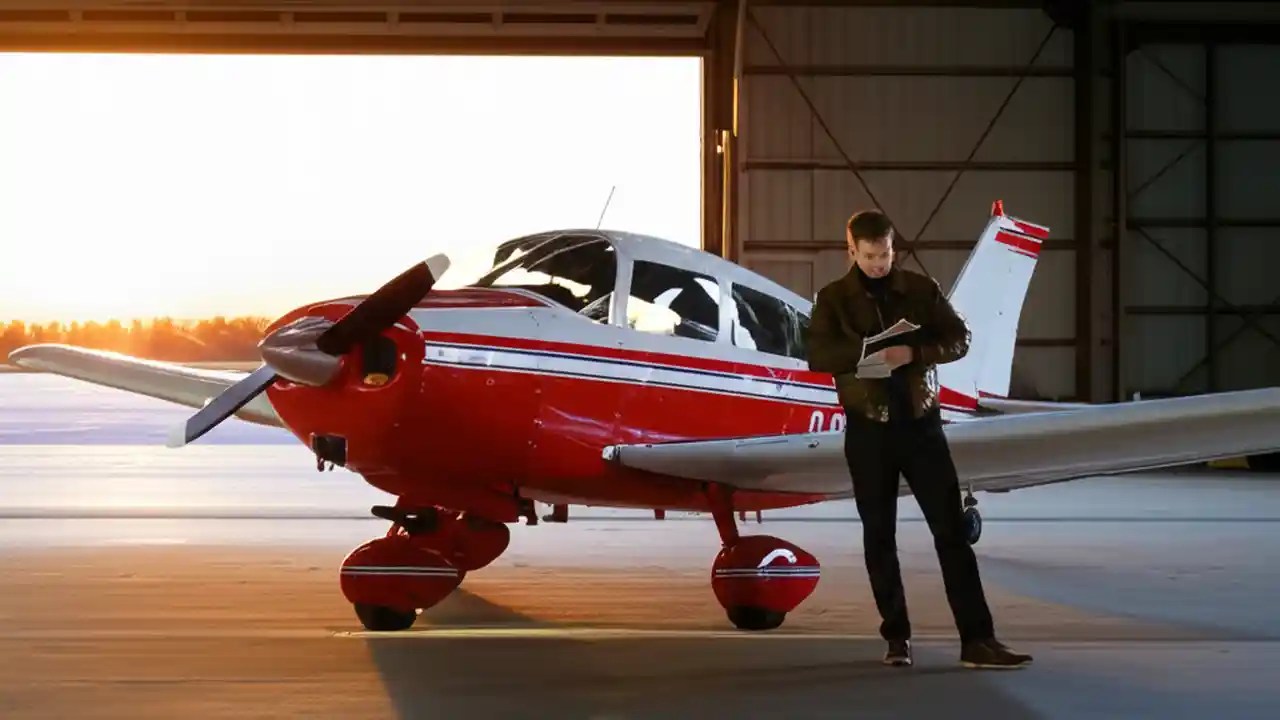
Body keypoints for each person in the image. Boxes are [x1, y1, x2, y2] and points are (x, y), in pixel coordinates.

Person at [807, 209, 1032, 670]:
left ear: (894, 248)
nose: (878, 264)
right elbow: (816, 355)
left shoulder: (921, 291)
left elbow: (960, 338)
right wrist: (870, 351)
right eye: (869, 255)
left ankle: (979, 640)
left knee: (951, 534)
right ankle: (896, 638)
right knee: (879, 538)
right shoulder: (832, 299)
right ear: (851, 250)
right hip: (868, 431)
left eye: (885, 254)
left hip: (922, 427)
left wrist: (912, 351)